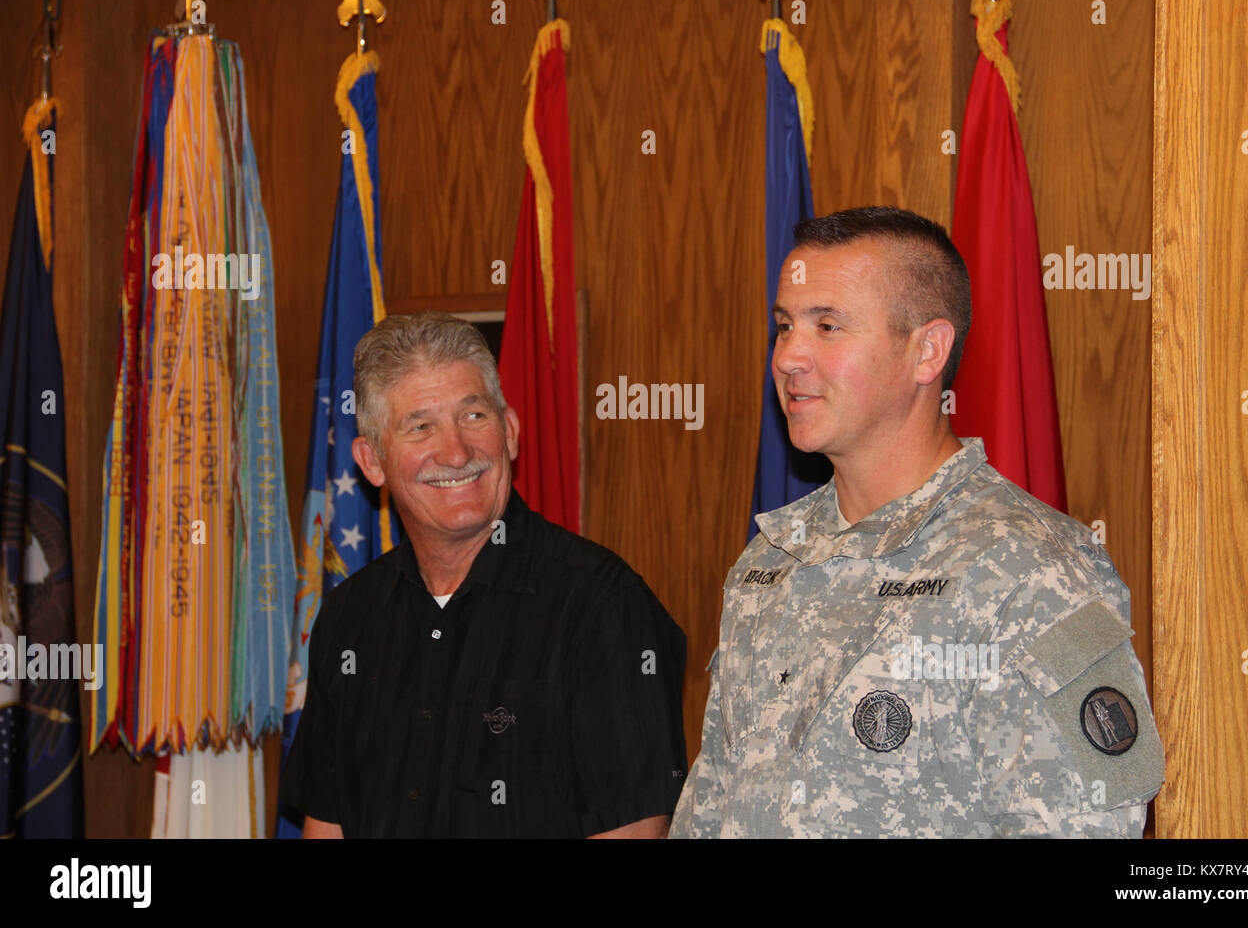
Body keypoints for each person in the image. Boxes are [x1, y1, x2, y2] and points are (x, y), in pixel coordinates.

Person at [668, 206, 1164, 838]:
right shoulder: (768, 562)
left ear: (927, 350)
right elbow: (710, 810)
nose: (789, 355)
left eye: (828, 326)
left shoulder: (1029, 570)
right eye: (785, 325)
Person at [281, 312, 687, 837]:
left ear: (510, 432)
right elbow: (326, 825)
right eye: (420, 426)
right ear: (372, 460)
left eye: (473, 416)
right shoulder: (349, 617)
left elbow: (633, 832)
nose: (456, 452)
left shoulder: (602, 607)